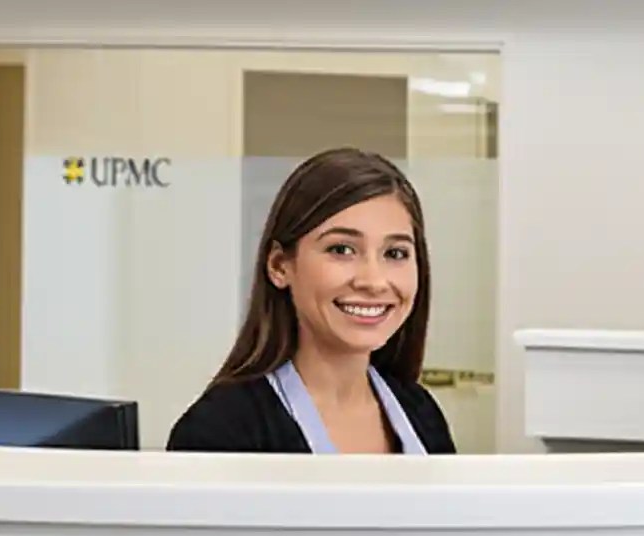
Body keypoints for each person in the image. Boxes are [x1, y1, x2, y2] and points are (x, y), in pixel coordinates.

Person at [166, 148, 455, 454]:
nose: (373, 281)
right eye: (341, 249)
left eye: (395, 253)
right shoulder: (220, 431)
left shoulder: (421, 413)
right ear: (279, 265)